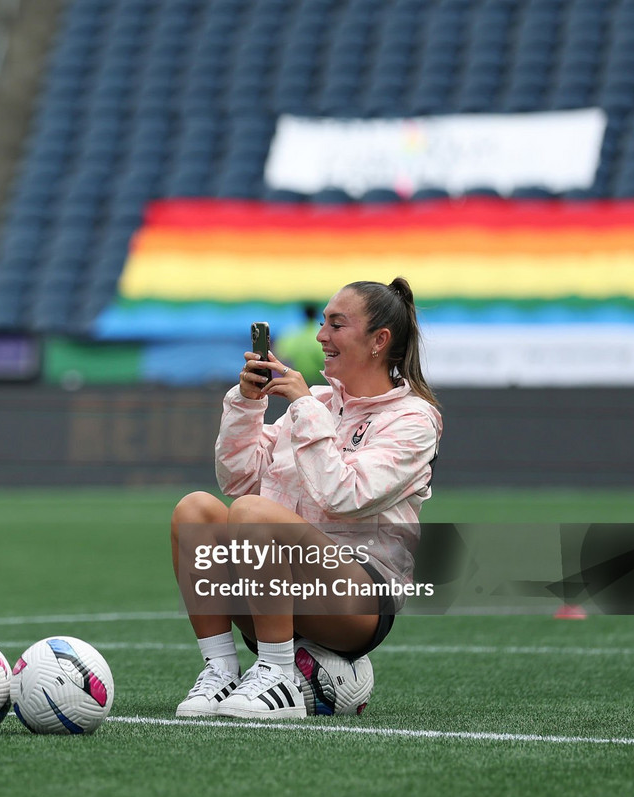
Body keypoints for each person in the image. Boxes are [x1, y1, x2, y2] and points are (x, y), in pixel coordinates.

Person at [170, 277, 441, 719]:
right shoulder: (315, 401)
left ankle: (277, 675)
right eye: (322, 323)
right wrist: (246, 404)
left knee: (254, 514)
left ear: (379, 341)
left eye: (336, 325)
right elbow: (240, 482)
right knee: (195, 509)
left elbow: (344, 496)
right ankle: (220, 671)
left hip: (359, 600)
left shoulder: (413, 420)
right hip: (277, 588)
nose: (320, 337)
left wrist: (305, 408)